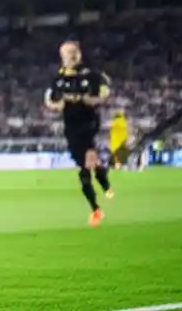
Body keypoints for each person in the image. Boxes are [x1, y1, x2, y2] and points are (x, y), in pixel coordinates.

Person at [45, 40, 113, 225]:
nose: (71, 57)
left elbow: (106, 89)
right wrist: (57, 105)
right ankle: (99, 199)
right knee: (84, 166)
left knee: (88, 160)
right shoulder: (58, 78)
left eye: (74, 53)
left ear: (79, 54)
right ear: (62, 56)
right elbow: (50, 99)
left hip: (88, 121)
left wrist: (94, 99)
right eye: (67, 54)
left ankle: (99, 203)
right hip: (70, 125)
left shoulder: (90, 74)